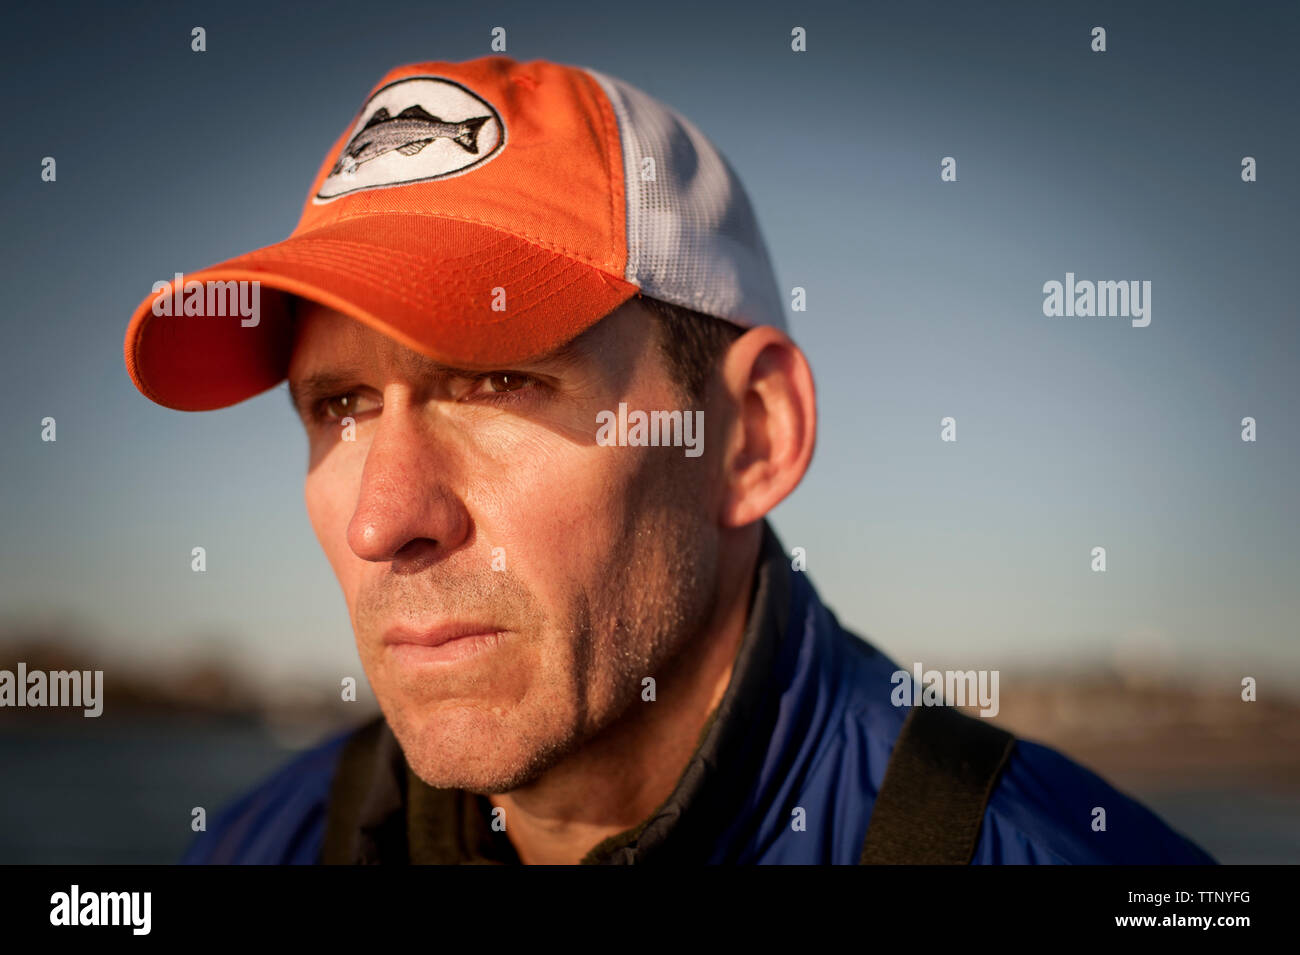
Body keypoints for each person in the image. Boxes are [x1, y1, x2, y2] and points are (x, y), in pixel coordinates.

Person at [122, 56, 1215, 865]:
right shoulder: (257, 848)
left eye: (498, 381)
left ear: (752, 436)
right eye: (342, 404)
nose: (382, 519)